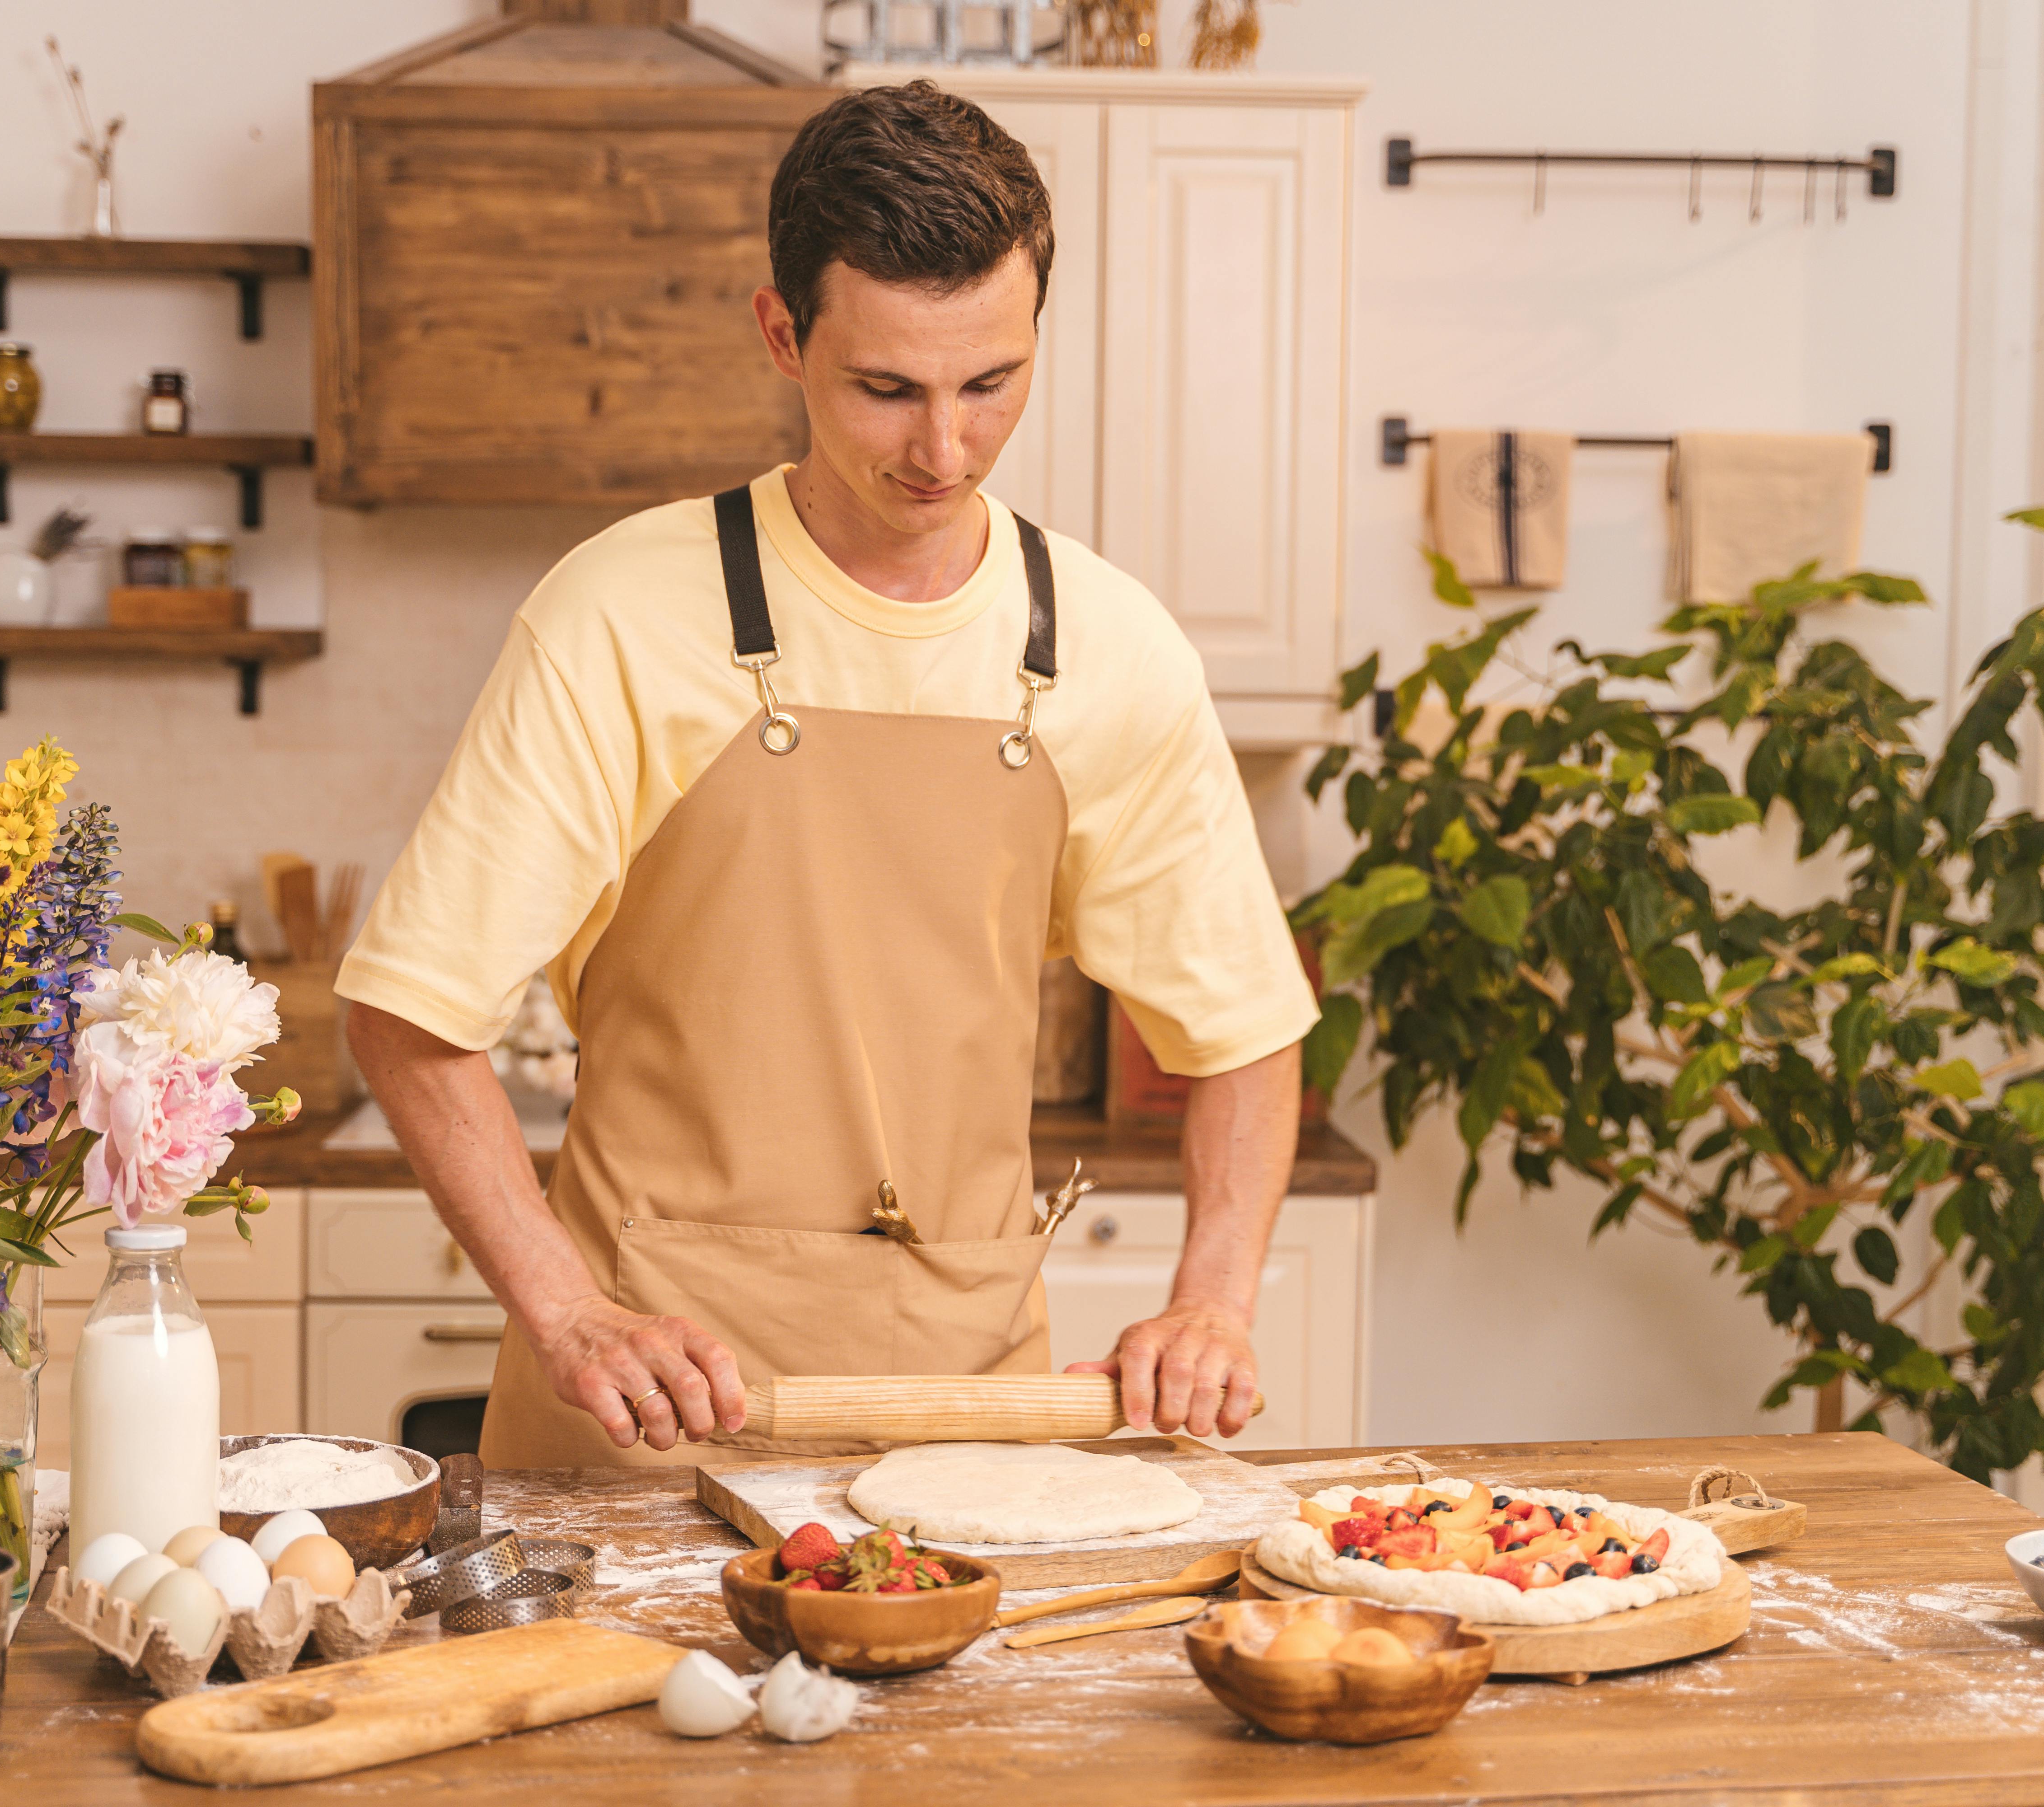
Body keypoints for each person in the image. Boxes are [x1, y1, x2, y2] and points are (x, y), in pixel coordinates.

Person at [339, 80, 1318, 1468]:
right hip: (651, 1411)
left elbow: (1247, 1035)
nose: (945, 449)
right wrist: (566, 1312)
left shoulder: (1108, 645)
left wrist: (1213, 1303)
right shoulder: (619, 612)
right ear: (783, 335)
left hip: (972, 1429)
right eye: (887, 390)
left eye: (993, 383)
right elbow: (409, 1016)